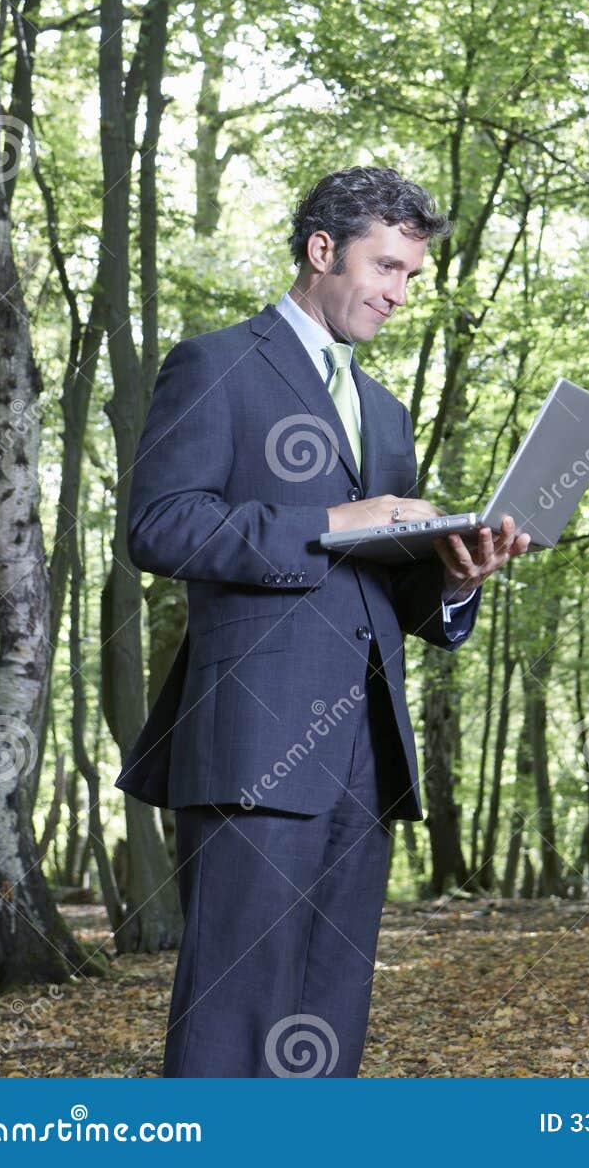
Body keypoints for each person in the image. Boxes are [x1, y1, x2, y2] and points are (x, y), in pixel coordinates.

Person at [115, 165, 529, 1077]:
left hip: (365, 752)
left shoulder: (384, 410)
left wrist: (457, 578)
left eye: (411, 277)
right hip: (253, 740)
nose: (397, 294)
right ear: (320, 251)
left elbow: (380, 587)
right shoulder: (218, 363)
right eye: (386, 269)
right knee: (236, 1005)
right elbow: (158, 525)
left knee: (326, 1015)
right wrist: (327, 522)